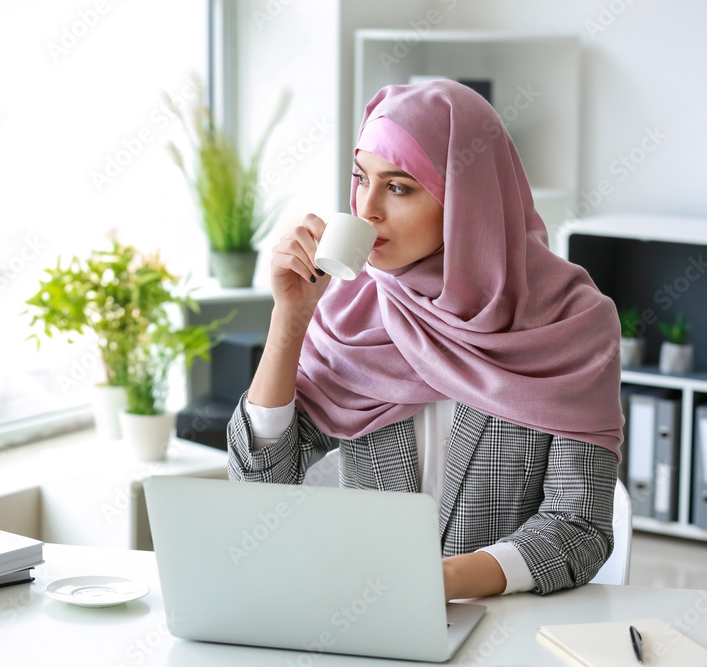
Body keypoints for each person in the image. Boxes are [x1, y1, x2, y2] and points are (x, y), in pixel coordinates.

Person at [227, 79, 624, 601]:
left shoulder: (571, 323)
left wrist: (437, 583)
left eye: (398, 187)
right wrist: (289, 320)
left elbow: (579, 528)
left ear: (467, 201)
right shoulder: (351, 313)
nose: (365, 209)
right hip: (366, 623)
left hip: (510, 634)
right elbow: (258, 486)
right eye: (359, 178)